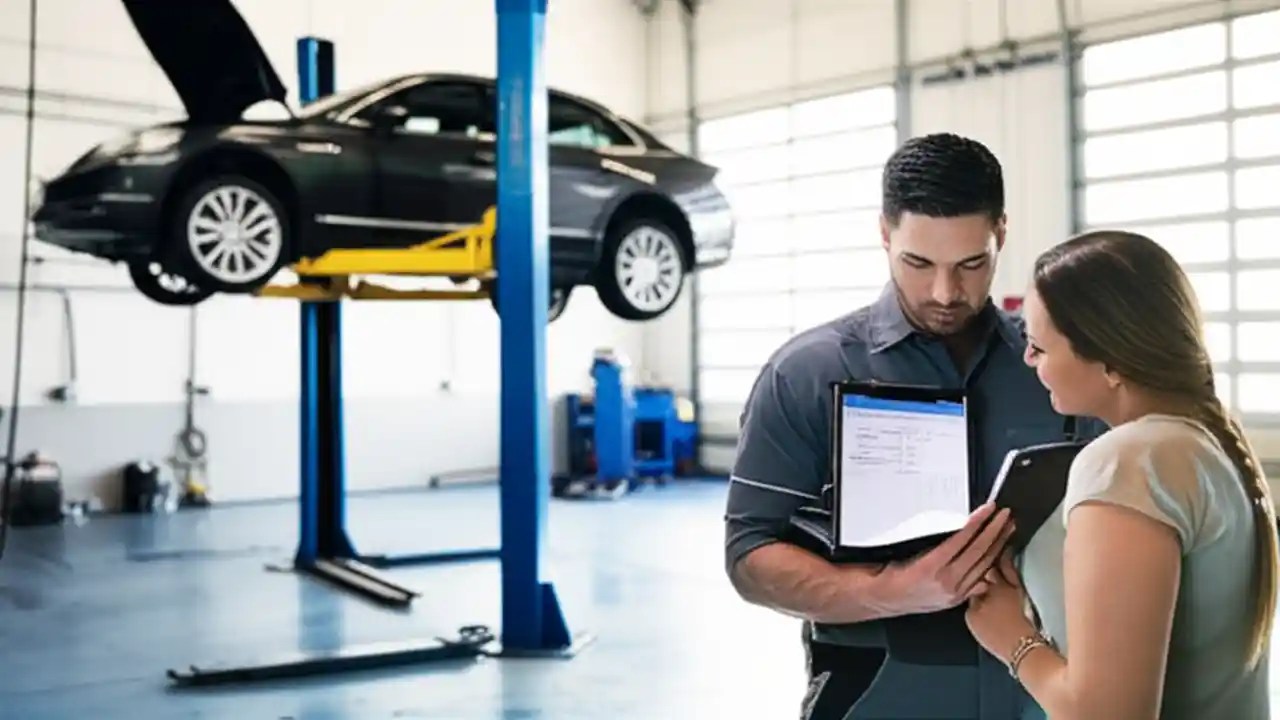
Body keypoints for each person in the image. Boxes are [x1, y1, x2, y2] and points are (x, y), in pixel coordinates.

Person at [723, 131, 1103, 719]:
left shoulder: (1058, 370)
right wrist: (892, 591)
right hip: (878, 699)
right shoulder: (805, 374)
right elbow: (749, 555)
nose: (945, 292)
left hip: (1042, 697)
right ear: (884, 234)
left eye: (971, 263)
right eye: (918, 263)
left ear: (1001, 232)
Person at [964, 229, 1278, 720]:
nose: (1028, 360)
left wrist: (1013, 638)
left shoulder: (1125, 459)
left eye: (1040, 348)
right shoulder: (1208, 446)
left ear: (1109, 361)